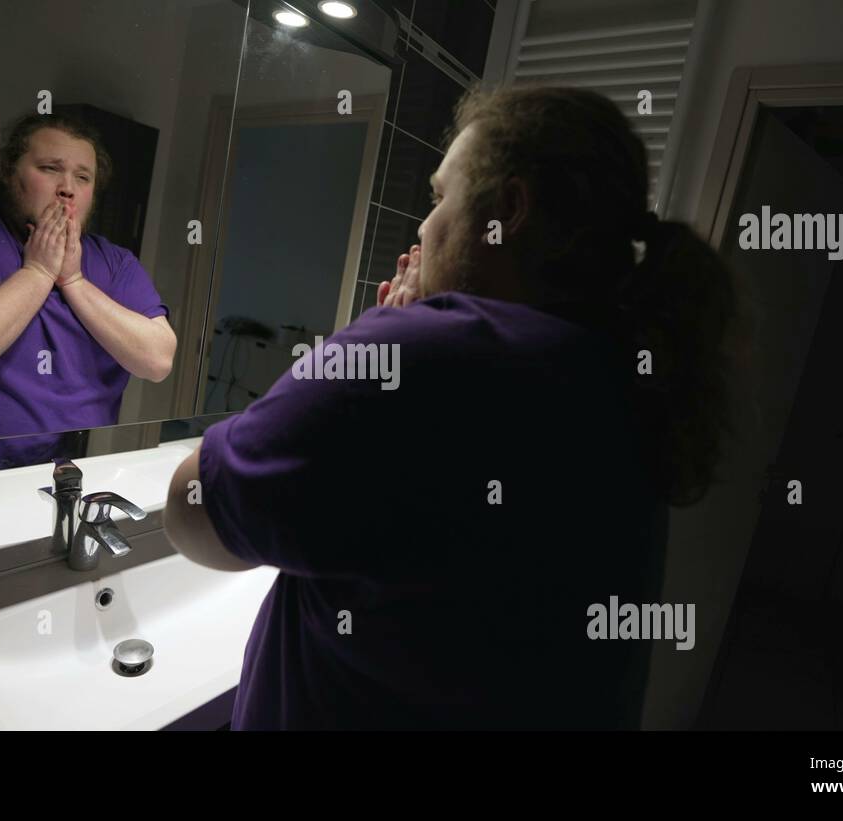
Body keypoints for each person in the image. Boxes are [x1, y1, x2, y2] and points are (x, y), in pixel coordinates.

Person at [162, 84, 752, 729]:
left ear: (509, 209)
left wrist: (377, 349)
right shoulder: (626, 366)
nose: (424, 224)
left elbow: (193, 515)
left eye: (441, 197)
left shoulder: (429, 355)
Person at [0, 113, 176, 481]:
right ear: (9, 171)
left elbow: (158, 360)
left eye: (83, 178)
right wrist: (38, 272)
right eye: (51, 168)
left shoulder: (116, 263)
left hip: (61, 470)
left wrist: (75, 281)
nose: (67, 188)